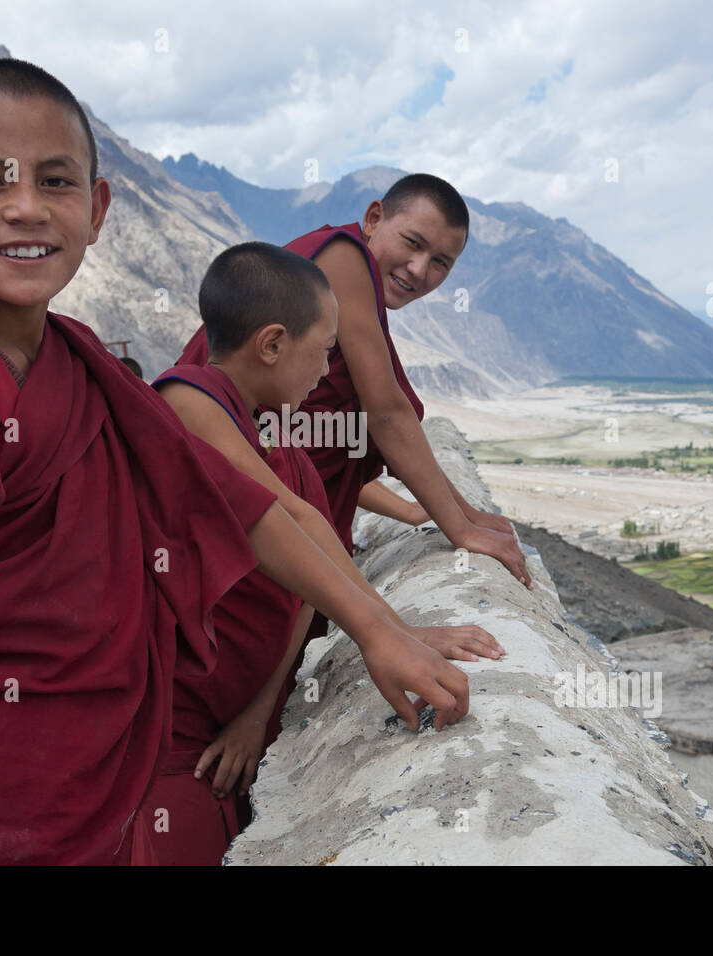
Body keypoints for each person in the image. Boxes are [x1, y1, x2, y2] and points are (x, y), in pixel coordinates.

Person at [0, 58, 467, 867]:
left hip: (110, 771)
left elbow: (247, 511)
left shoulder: (95, 375)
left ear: (97, 207)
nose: (25, 209)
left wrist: (376, 628)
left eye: (56, 182)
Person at [141, 243, 504, 864]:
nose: (328, 368)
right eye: (325, 348)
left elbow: (296, 585)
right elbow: (291, 520)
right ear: (273, 344)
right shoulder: (187, 403)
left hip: (239, 707)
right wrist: (387, 631)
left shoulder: (265, 429)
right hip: (169, 724)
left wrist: (261, 710)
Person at [176, 175, 533, 592]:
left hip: (283, 522)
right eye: (413, 243)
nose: (419, 270)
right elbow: (385, 411)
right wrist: (462, 529)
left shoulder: (346, 281)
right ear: (374, 217)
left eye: (441, 262)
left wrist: (460, 512)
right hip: (244, 521)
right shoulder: (344, 257)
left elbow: (323, 440)